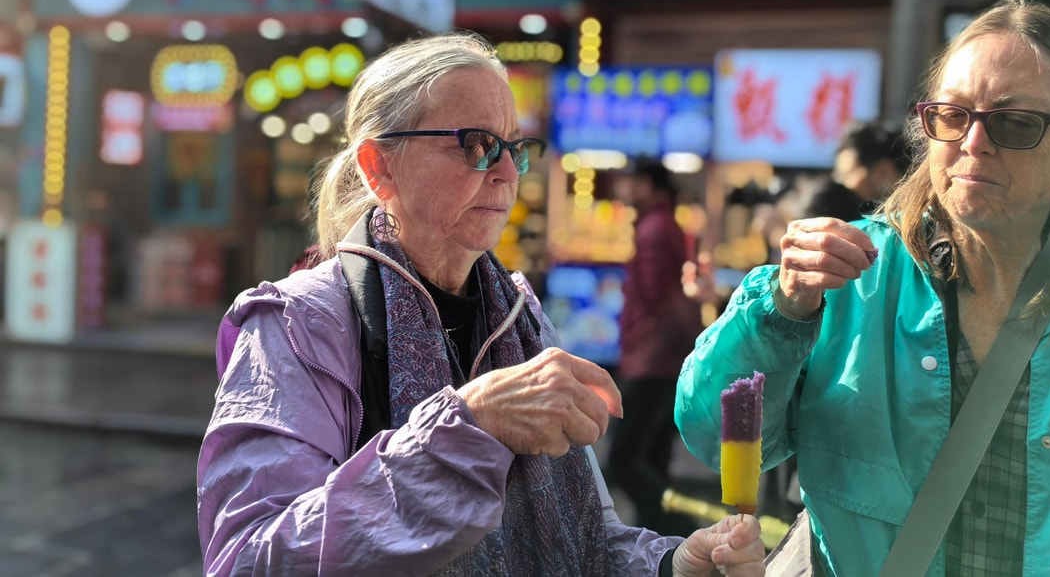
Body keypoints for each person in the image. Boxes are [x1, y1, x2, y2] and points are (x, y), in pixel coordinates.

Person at [197, 32, 765, 576]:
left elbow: (590, 539)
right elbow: (250, 558)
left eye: (515, 148)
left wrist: (673, 564)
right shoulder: (297, 324)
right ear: (379, 167)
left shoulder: (518, 314)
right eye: (475, 145)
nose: (506, 173)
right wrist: (467, 427)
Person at [676, 0, 1050, 576]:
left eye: (1016, 122)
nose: (974, 142)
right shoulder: (849, 276)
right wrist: (782, 310)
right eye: (953, 115)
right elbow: (710, 435)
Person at [607, 157, 706, 536]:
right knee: (653, 457)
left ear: (647, 185)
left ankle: (684, 530)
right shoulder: (666, 224)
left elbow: (658, 299)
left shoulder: (653, 229)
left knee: (624, 459)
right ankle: (664, 546)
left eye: (630, 183)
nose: (624, 191)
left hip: (651, 361)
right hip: (665, 358)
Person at [803, 119, 910, 221]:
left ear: (883, 171)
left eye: (849, 174)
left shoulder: (911, 215)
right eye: (839, 176)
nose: (841, 184)